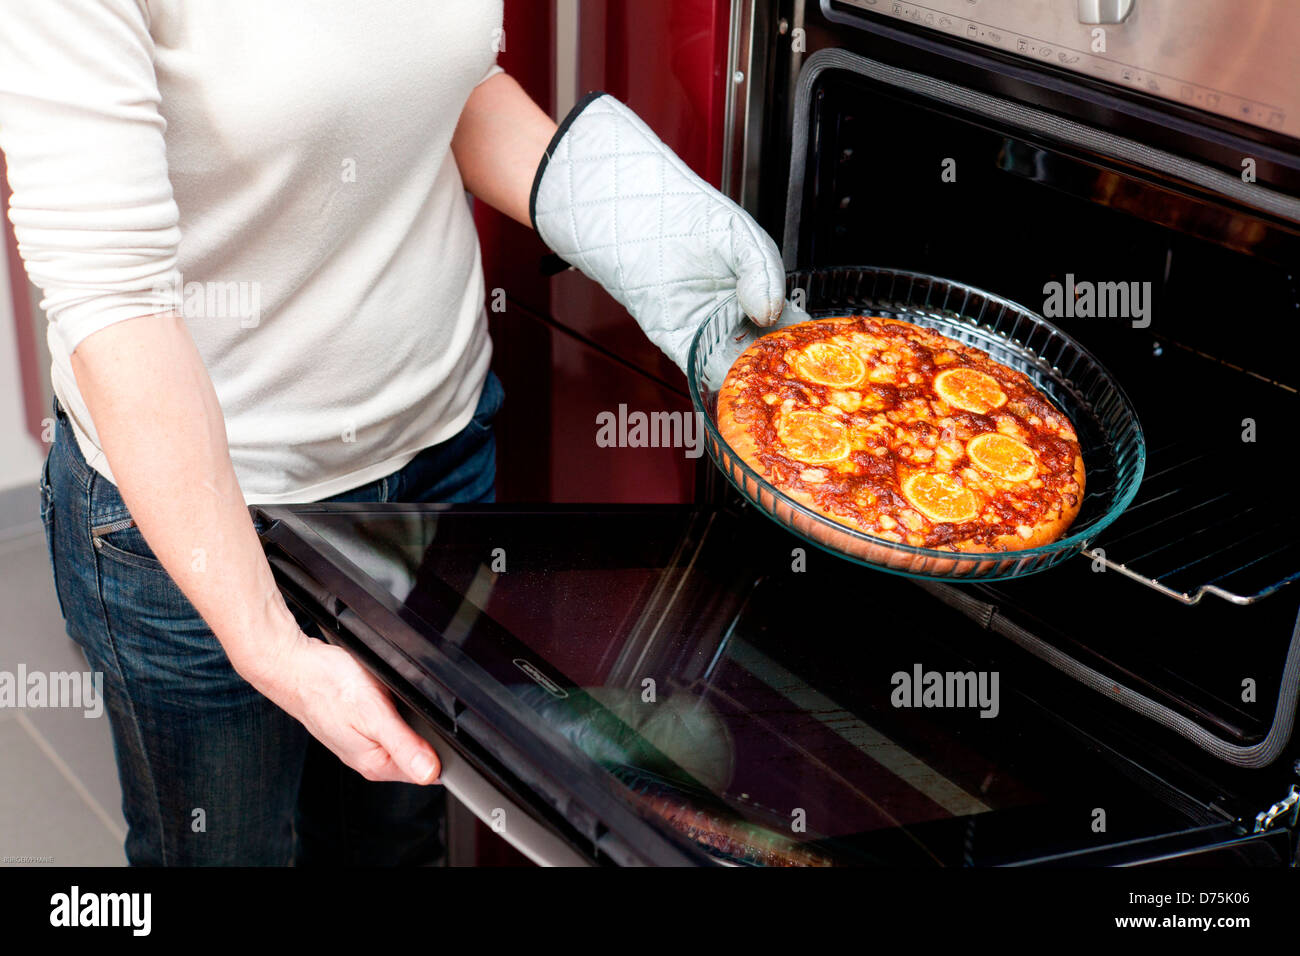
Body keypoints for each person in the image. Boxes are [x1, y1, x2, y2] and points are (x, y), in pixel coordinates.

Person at [0, 0, 786, 865]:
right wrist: (270, 647)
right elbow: (116, 305)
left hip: (437, 457)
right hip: (202, 523)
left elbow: (444, 90)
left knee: (394, 837)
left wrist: (636, 225)